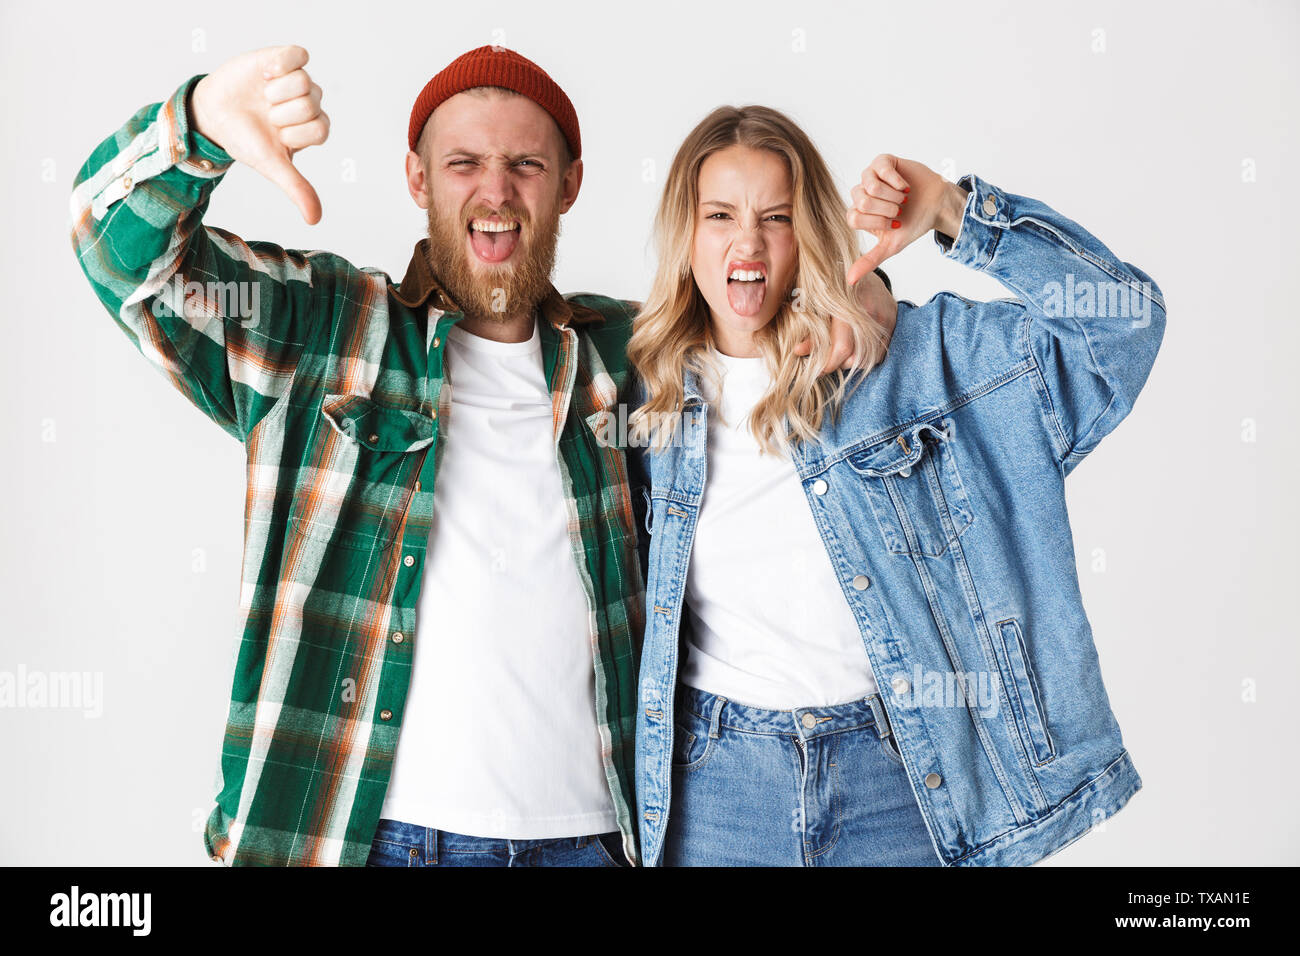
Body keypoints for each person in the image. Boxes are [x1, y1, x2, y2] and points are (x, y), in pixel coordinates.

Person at [69, 44, 894, 867]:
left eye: (525, 164)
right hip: (366, 841)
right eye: (464, 162)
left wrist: (866, 294)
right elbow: (119, 254)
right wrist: (202, 124)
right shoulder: (322, 334)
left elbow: (761, 296)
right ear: (419, 180)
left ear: (568, 184)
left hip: (595, 844)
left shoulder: (635, 355)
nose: (495, 191)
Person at [626, 104, 1165, 866]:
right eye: (719, 215)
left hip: (898, 778)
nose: (746, 242)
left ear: (808, 230)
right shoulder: (634, 387)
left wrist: (953, 211)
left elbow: (1125, 326)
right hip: (718, 787)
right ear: (686, 235)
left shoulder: (917, 365)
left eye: (775, 217)